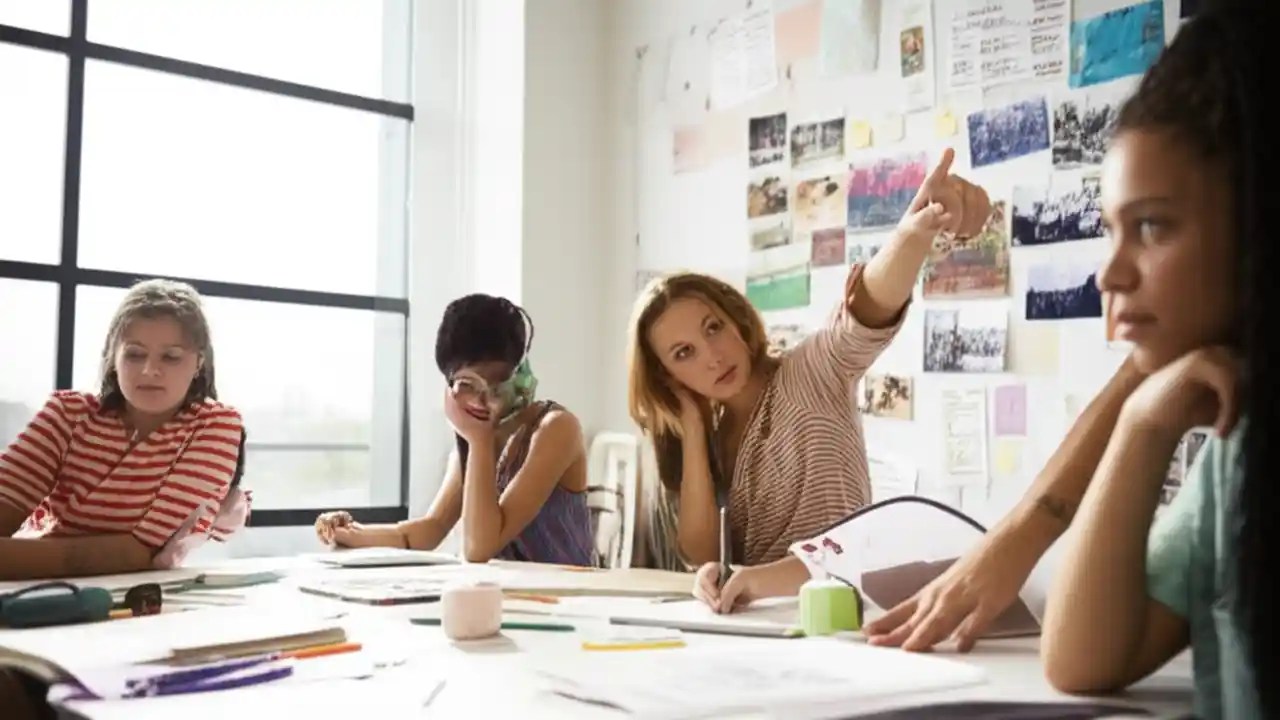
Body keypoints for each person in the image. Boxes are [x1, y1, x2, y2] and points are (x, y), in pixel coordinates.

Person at [1041, 7, 1272, 718]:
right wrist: (1141, 423)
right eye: (1112, 228)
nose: (1109, 275)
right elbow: (1081, 659)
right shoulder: (1235, 450)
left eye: (1150, 226)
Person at [630, 148, 990, 574]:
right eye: (684, 353)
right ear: (667, 376)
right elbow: (700, 555)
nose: (713, 357)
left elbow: (863, 313)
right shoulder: (710, 434)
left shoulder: (810, 371)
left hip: (841, 604)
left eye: (713, 328)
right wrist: (692, 426)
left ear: (735, 319)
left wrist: (914, 233)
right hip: (757, 612)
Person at [314, 294, 594, 565]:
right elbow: (432, 528)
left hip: (570, 590)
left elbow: (478, 548)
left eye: (497, 383)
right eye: (468, 385)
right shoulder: (477, 437)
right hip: (513, 591)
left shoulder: (555, 429)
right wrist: (353, 533)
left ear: (521, 374)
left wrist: (479, 441)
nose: (483, 399)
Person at [0, 279, 248, 581]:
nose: (149, 370)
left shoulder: (216, 424)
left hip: (138, 595)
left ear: (199, 363)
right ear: (113, 358)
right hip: (32, 584)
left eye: (171, 357)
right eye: (134, 354)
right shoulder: (67, 413)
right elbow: (6, 504)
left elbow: (142, 551)